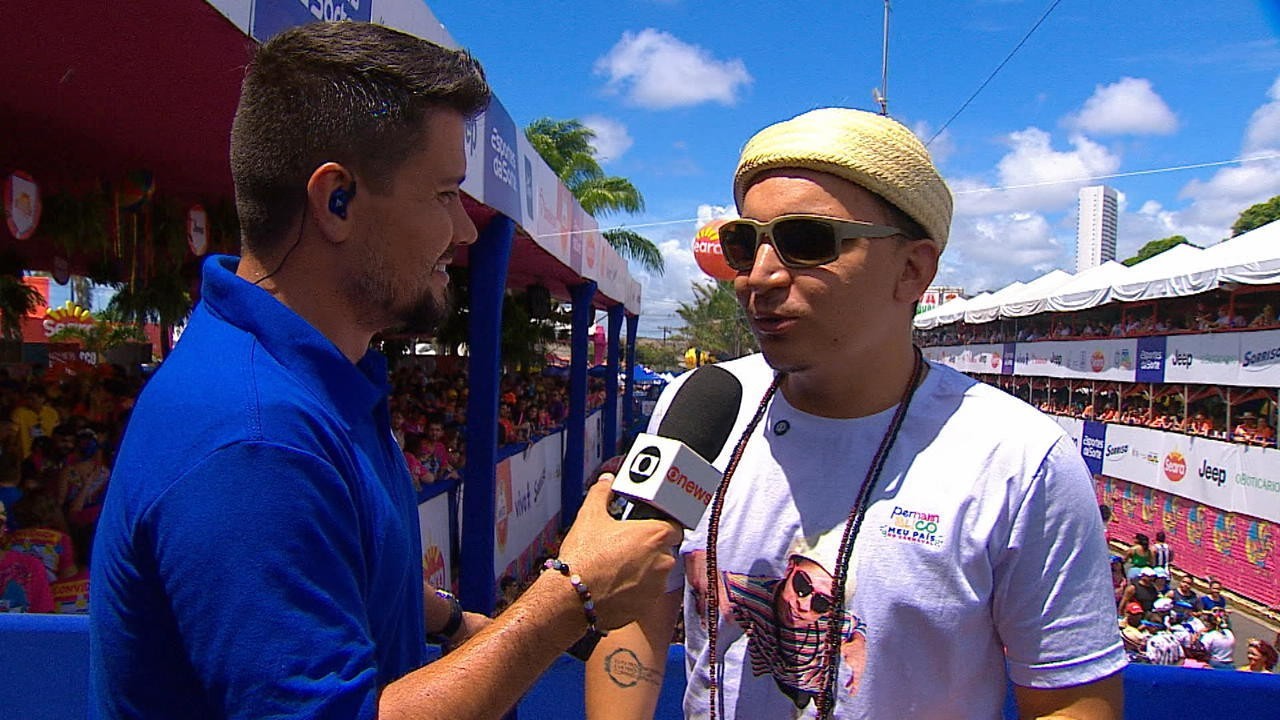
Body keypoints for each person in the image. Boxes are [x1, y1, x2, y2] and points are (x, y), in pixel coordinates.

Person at [90, 22, 679, 719]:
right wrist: (569, 595)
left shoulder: (306, 376)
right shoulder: (254, 442)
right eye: (443, 194)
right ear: (336, 200)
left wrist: (443, 621)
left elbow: (335, 564)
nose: (463, 231)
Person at [585, 108, 1124, 719]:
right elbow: (636, 612)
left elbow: (1070, 698)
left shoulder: (1019, 460)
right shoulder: (701, 406)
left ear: (913, 269)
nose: (757, 277)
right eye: (745, 243)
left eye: (807, 241)